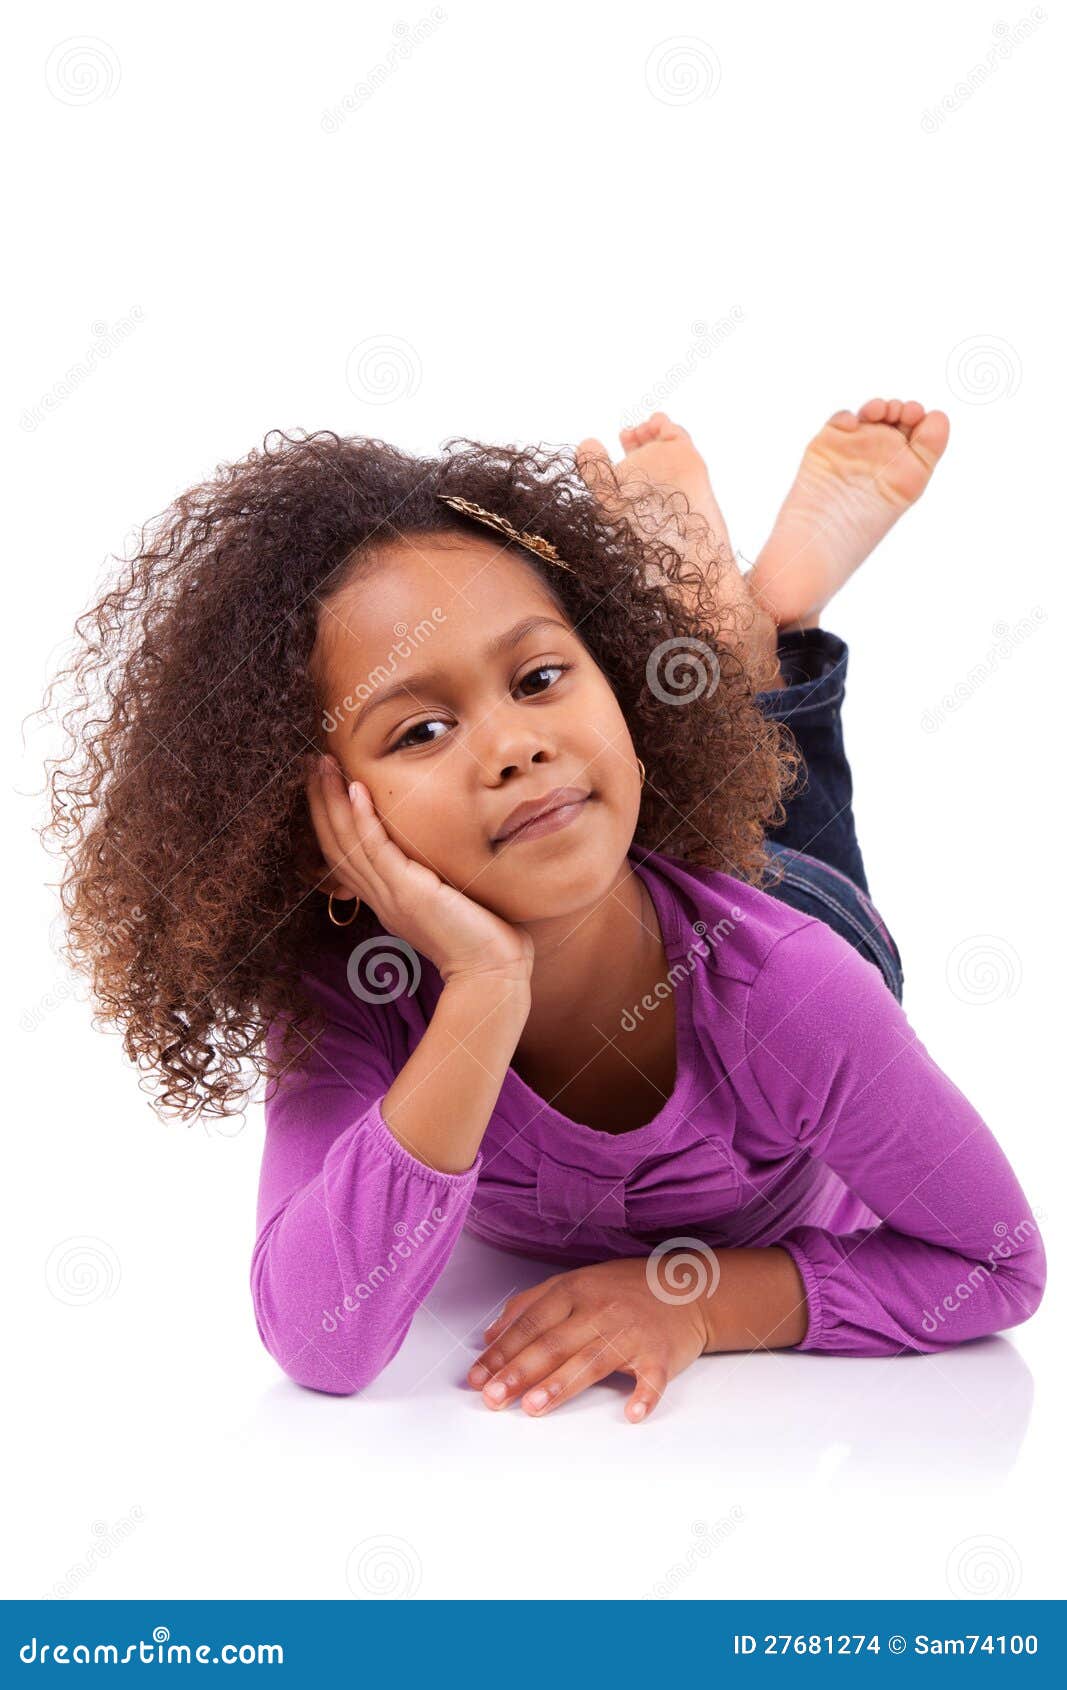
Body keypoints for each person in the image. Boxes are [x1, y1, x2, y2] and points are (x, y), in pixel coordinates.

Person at [42, 398, 1045, 1422]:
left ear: (619, 690)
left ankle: (733, 642)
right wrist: (483, 987)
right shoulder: (350, 987)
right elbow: (318, 1338)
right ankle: (727, 632)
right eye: (421, 729)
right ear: (324, 838)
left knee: (779, 834)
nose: (513, 746)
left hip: (779, 915)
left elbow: (995, 1266)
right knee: (738, 823)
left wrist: (697, 1302)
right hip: (638, 888)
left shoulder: (794, 990)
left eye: (539, 676)